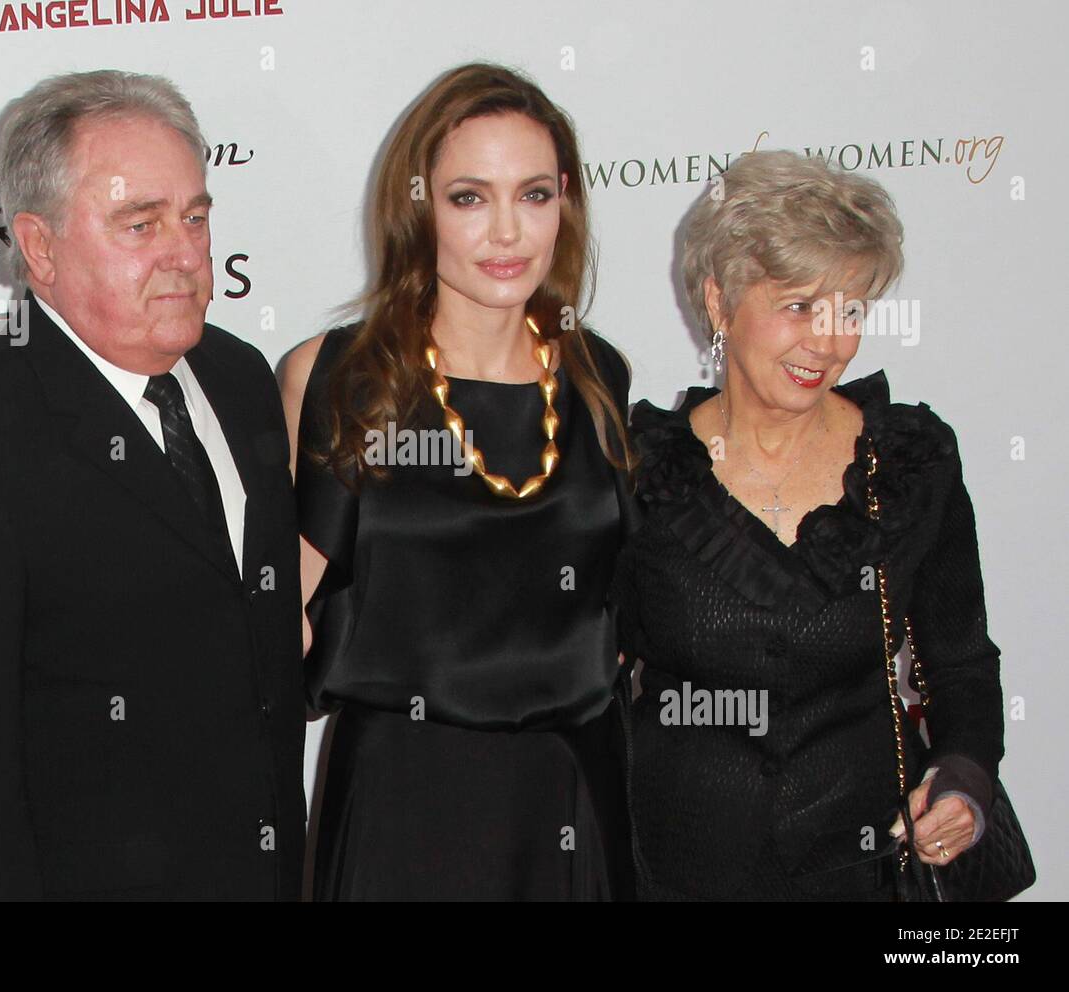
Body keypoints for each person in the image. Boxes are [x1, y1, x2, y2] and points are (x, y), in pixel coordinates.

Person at [0, 70, 305, 900]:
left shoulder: (241, 379)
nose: (184, 253)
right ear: (39, 247)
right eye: (140, 224)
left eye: (196, 216)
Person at [280, 62, 637, 900]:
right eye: (470, 198)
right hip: (406, 802)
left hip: (574, 792)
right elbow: (282, 619)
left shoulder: (596, 377)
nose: (508, 233)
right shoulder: (340, 378)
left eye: (536, 195)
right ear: (417, 207)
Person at [611, 149, 1004, 900]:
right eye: (798, 307)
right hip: (673, 873)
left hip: (860, 874)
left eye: (849, 310)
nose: (828, 343)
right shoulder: (639, 472)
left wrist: (961, 782)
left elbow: (962, 666)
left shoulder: (909, 465)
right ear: (719, 303)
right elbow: (584, 674)